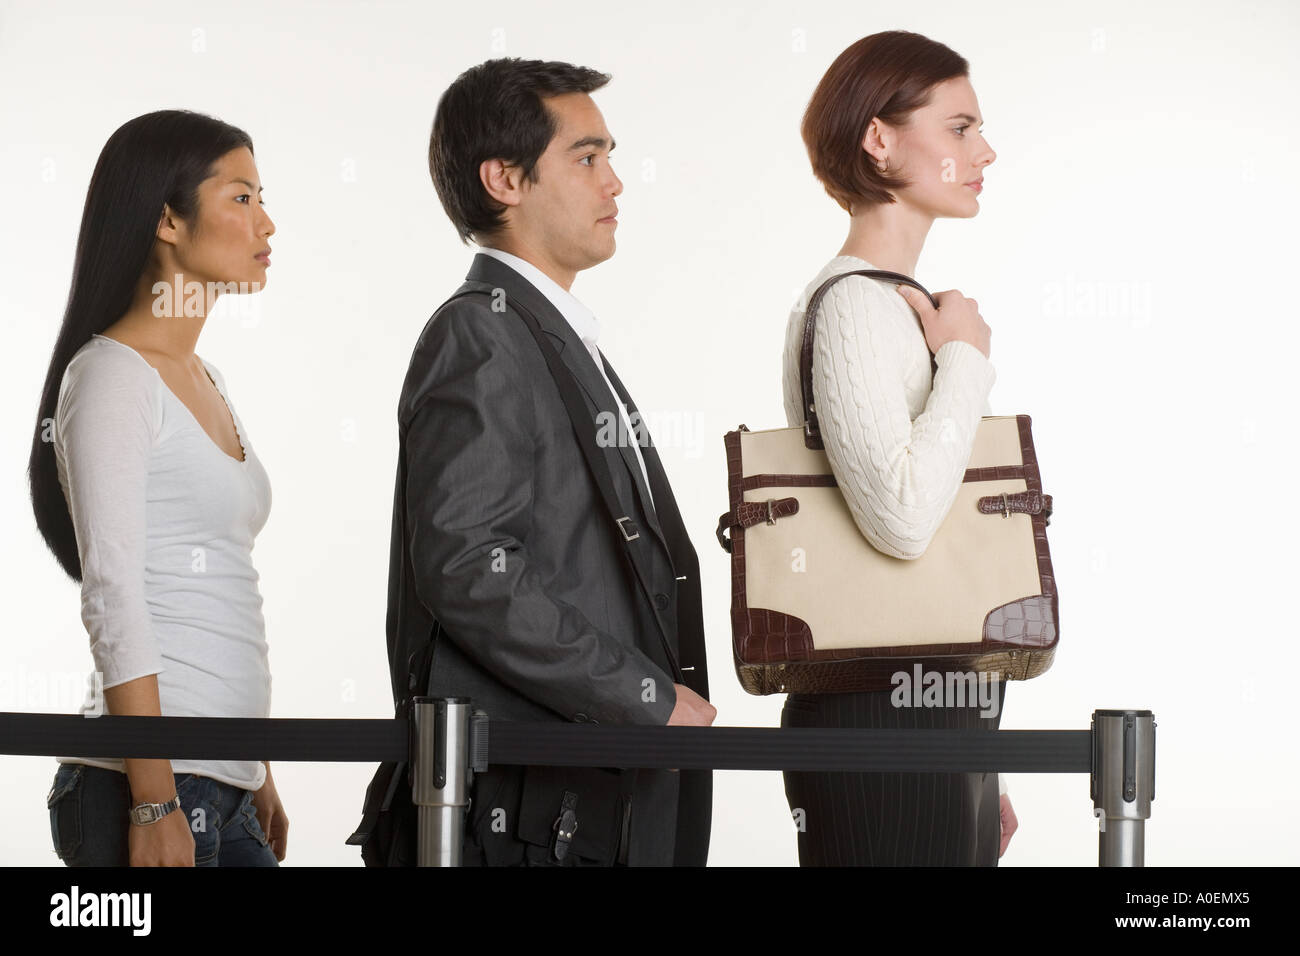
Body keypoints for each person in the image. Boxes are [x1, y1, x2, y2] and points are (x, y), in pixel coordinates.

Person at [386, 57, 715, 867]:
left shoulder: (548, 331)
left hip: (582, 802)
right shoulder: (484, 334)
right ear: (505, 179)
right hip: (529, 817)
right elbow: (470, 566)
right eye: (588, 157)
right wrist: (643, 698)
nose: (616, 184)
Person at [778, 31, 1021, 865]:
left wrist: (981, 750)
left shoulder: (897, 302)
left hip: (926, 705)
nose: (984, 150)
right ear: (878, 138)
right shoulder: (853, 305)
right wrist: (965, 359)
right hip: (876, 714)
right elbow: (906, 522)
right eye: (959, 128)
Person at [28, 110, 286, 866]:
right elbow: (114, 592)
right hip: (147, 788)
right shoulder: (113, 376)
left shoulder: (207, 379)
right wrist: (154, 796)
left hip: (217, 785)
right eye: (241, 198)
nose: (266, 221)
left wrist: (253, 769)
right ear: (168, 219)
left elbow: (213, 590)